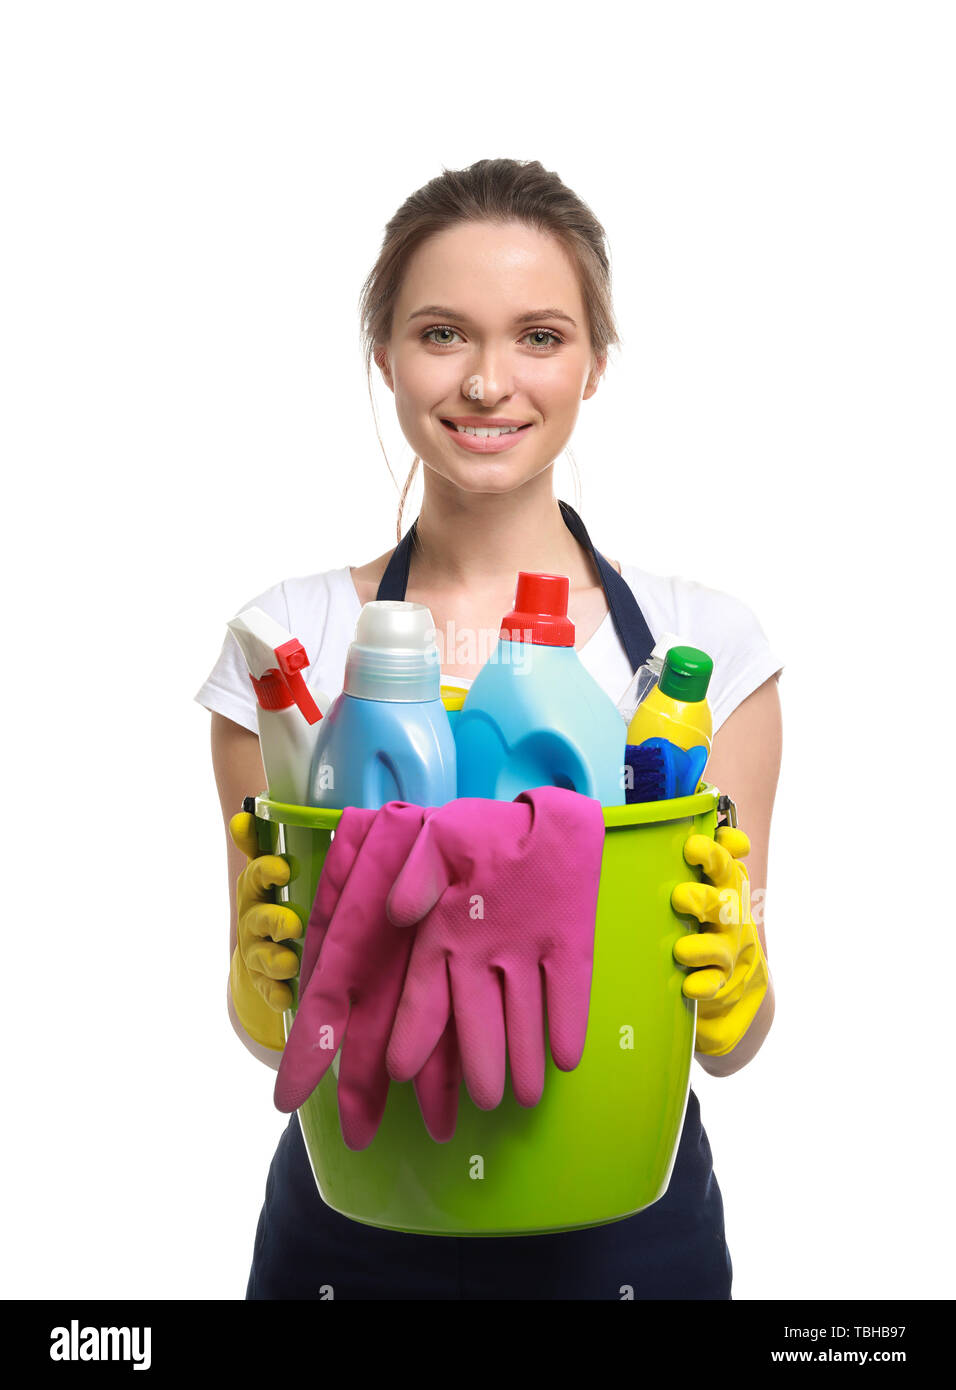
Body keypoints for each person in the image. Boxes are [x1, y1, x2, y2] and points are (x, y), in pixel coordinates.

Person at [195, 157, 784, 1300]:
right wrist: (260, 985)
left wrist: (734, 985)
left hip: (626, 1221)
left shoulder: (699, 645)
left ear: (594, 366)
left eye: (539, 337)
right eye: (440, 333)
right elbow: (278, 1040)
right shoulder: (290, 645)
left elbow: (723, 1046)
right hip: (354, 1217)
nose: (486, 381)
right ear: (385, 358)